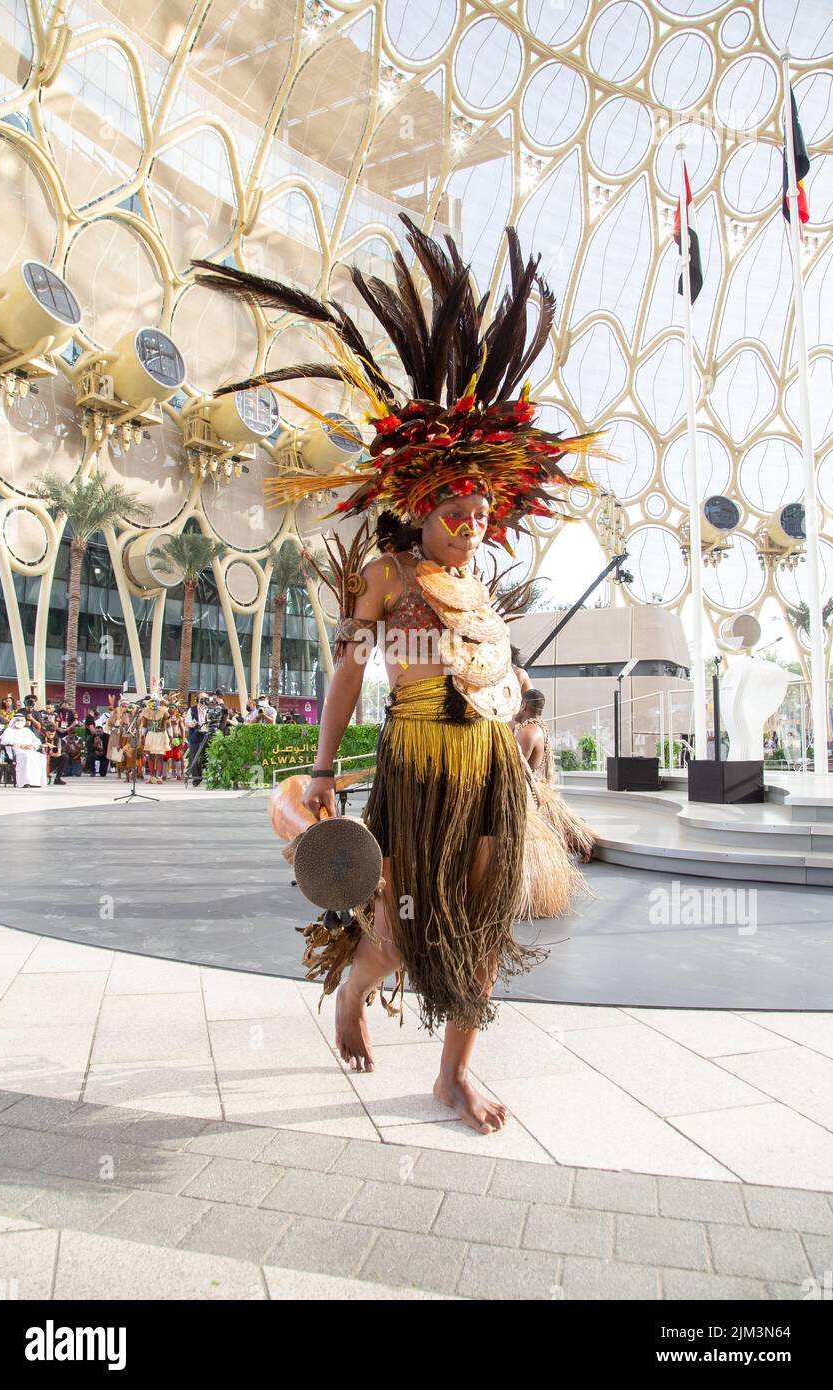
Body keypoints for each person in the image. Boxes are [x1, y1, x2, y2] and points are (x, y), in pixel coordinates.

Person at [198, 214, 613, 1134]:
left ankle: (452, 1074)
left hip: (491, 778)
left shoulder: (477, 587)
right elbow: (350, 678)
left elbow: (500, 685)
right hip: (416, 770)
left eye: (480, 511)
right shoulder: (385, 579)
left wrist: (527, 736)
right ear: (420, 503)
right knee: (399, 924)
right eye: (455, 509)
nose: (469, 524)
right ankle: (353, 996)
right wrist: (317, 769)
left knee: (485, 916)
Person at [514, 689, 596, 864]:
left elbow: (514, 769)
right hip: (537, 789)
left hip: (529, 795)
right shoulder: (539, 727)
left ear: (523, 705)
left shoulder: (527, 731)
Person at [0, 713, 48, 787]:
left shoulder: (27, 730)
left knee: (41, 757)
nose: (19, 722)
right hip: (16, 750)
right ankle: (25, 782)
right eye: (17, 720)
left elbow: (37, 741)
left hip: (30, 750)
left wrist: (32, 746)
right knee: (26, 757)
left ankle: (36, 782)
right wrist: (20, 745)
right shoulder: (9, 730)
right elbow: (5, 741)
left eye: (21, 720)